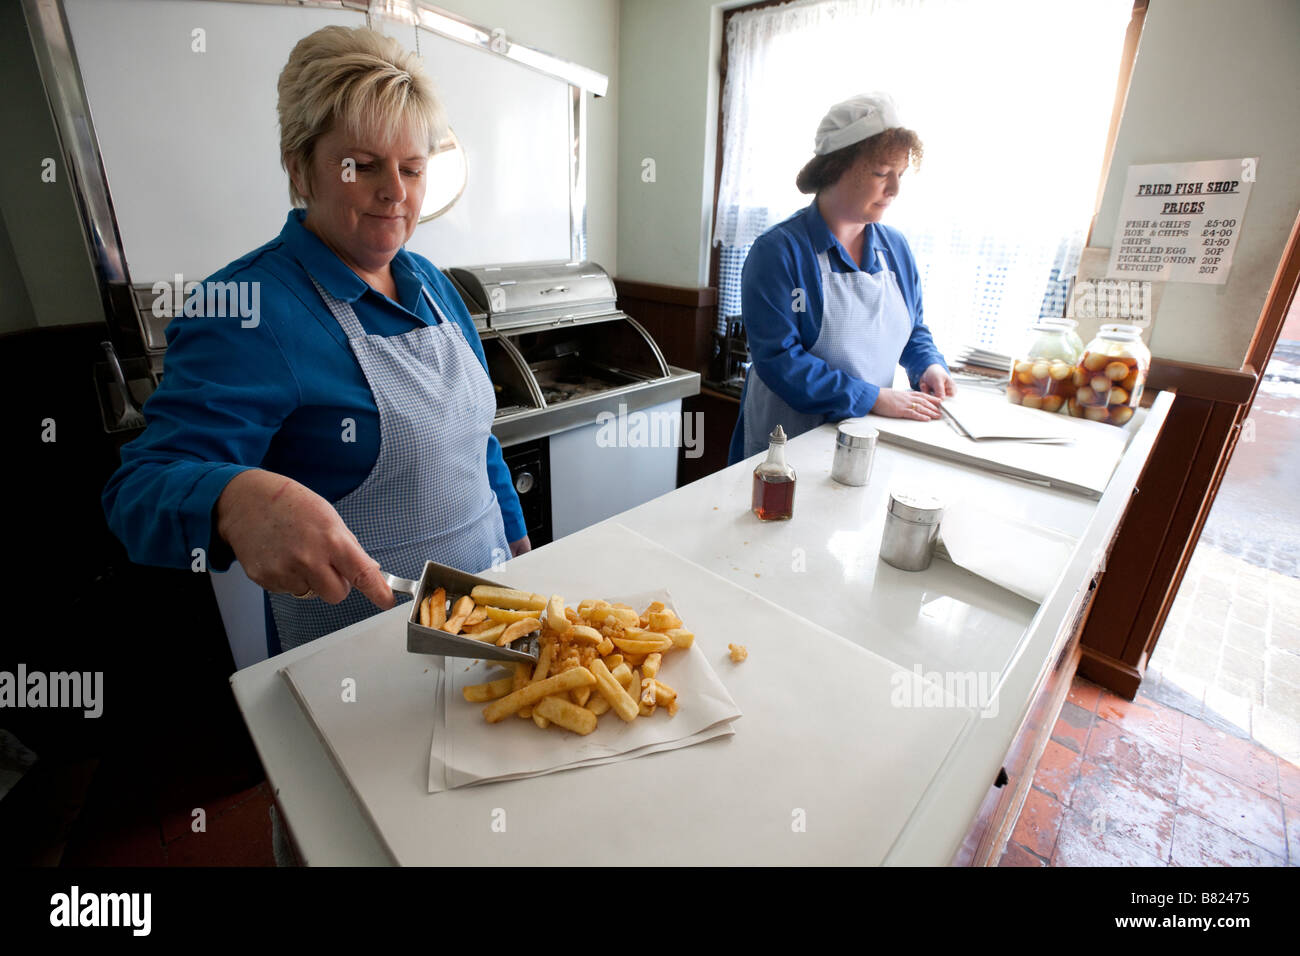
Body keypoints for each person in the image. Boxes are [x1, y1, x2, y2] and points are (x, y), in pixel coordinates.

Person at [103, 25, 529, 652]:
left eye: (412, 168)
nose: (395, 192)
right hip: (353, 663)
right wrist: (231, 500)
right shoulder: (249, 310)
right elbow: (137, 491)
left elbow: (475, 446)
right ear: (300, 167)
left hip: (490, 624)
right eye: (365, 165)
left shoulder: (434, 285)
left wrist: (521, 555)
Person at [728, 92, 955, 464]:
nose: (895, 190)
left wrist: (928, 365)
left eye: (899, 175)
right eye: (882, 174)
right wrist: (874, 398)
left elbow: (913, 329)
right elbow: (779, 360)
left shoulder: (895, 248)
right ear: (835, 169)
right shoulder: (779, 252)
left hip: (861, 435)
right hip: (786, 443)